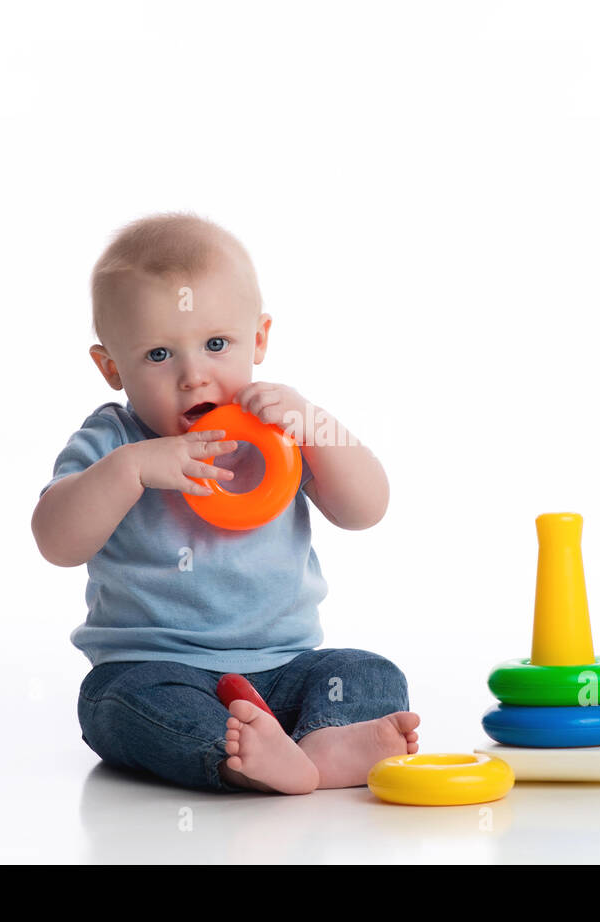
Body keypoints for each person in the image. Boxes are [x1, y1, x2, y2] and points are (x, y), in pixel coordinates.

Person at [32, 212, 419, 794]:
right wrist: (131, 471)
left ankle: (324, 741)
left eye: (217, 345)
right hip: (154, 670)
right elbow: (55, 541)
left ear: (259, 339)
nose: (193, 376)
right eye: (158, 355)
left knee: (365, 670)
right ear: (112, 367)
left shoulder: (281, 430)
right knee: (117, 706)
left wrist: (313, 426)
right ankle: (238, 757)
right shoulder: (114, 439)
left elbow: (366, 508)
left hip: (285, 669)